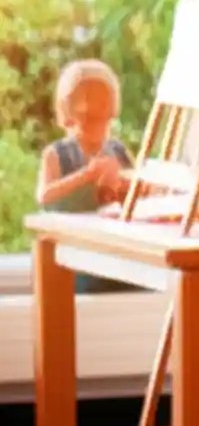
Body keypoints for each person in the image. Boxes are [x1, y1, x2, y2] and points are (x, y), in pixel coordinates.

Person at [35, 59, 136, 294]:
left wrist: (126, 184)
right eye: (88, 120)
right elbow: (45, 196)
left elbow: (136, 194)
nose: (96, 128)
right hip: (75, 255)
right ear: (69, 115)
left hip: (115, 250)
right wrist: (86, 175)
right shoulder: (57, 155)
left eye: (103, 120)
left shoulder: (117, 152)